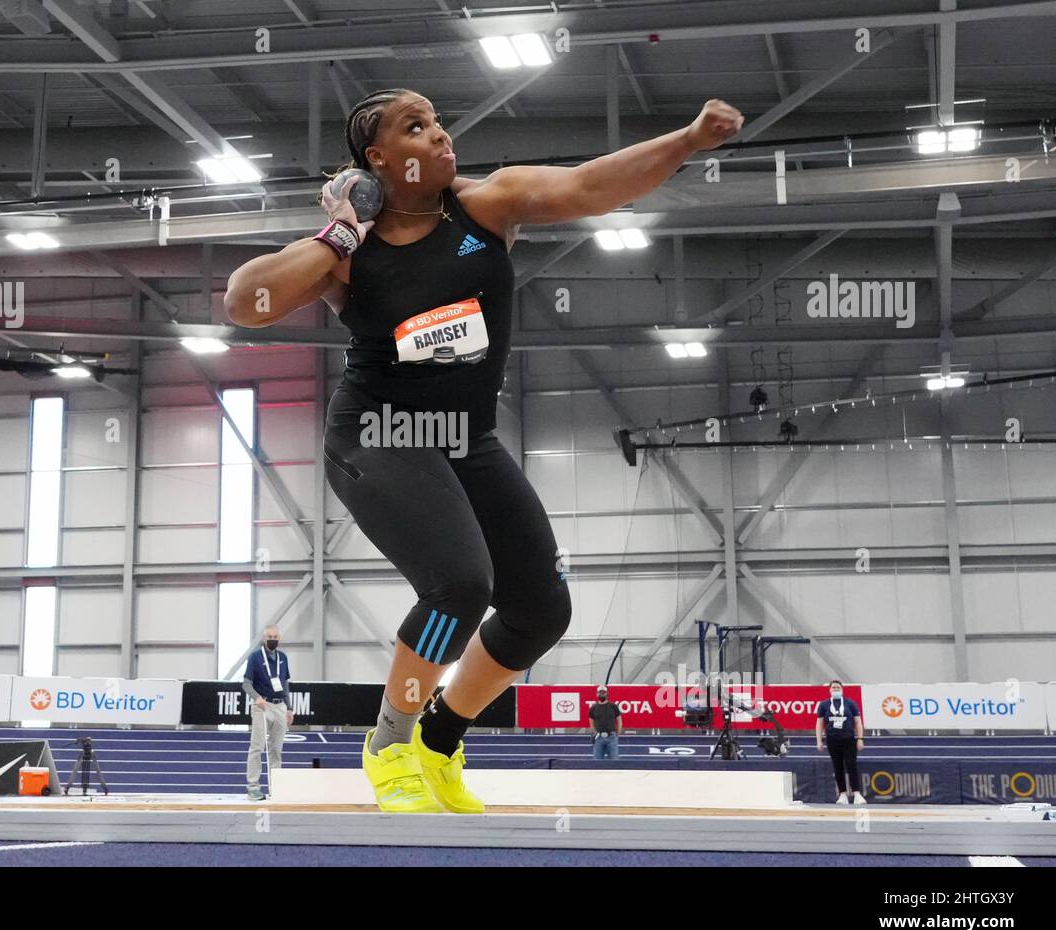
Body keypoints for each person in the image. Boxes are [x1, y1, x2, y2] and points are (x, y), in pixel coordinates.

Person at [227, 88, 743, 813]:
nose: (440, 134)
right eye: (416, 127)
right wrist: (340, 234)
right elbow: (246, 301)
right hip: (380, 433)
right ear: (378, 160)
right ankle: (391, 742)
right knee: (461, 584)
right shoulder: (352, 254)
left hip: (466, 438)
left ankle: (438, 739)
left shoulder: (488, 207)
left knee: (540, 610)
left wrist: (686, 138)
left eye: (438, 120)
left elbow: (591, 185)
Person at [241, 626, 294, 801]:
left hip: (280, 707)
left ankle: (276, 785)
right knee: (257, 747)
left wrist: (289, 708)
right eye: (269, 636)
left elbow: (285, 685)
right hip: (262, 706)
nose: (272, 639)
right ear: (264, 638)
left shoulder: (283, 658)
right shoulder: (255, 658)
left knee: (276, 749)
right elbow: (246, 684)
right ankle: (253, 786)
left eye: (275, 636)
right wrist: (256, 698)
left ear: (279, 638)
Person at [816, 679, 866, 805]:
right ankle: (842, 794)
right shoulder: (824, 704)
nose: (836, 689)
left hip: (848, 739)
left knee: (851, 765)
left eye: (838, 687)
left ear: (842, 690)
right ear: (830, 690)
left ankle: (857, 794)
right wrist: (819, 741)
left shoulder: (850, 703)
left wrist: (860, 738)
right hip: (832, 740)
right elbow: (819, 723)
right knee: (837, 767)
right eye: (833, 688)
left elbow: (858, 722)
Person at [588, 685, 622, 759]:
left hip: (611, 737)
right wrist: (594, 732)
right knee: (597, 762)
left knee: (614, 761)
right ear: (597, 694)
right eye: (600, 692)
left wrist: (618, 734)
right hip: (598, 738)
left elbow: (619, 720)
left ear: (607, 694)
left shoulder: (613, 706)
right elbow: (591, 721)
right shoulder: (593, 708)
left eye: (603, 692)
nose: (602, 694)